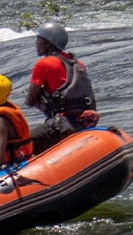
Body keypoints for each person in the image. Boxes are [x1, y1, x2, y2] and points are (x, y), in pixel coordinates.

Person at [25, 20, 99, 154]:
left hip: (61, 124)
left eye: (38, 39)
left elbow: (29, 101)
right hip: (82, 123)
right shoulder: (78, 64)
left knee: (20, 144)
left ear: (47, 43)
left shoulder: (44, 64)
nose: (36, 43)